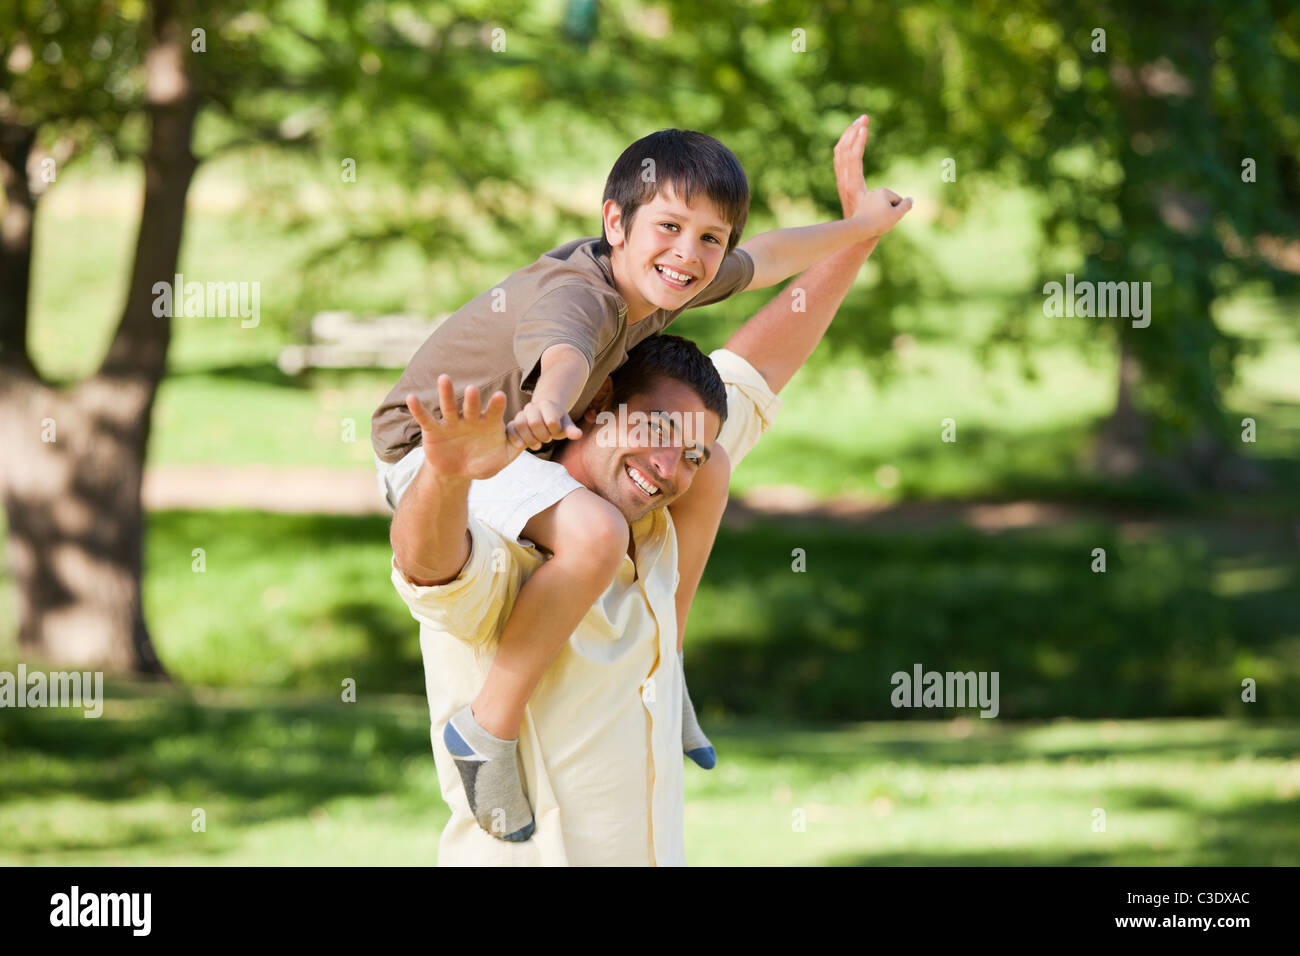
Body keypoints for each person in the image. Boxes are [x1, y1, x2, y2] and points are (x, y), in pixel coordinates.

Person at [372, 117, 911, 841]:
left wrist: (860, 227)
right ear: (614, 223)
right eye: (670, 227)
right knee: (593, 534)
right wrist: (549, 407)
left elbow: (774, 256)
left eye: (709, 238)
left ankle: (669, 660)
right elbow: (563, 354)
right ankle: (486, 727)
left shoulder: (670, 286)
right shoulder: (580, 296)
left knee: (711, 461)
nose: (690, 254)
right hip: (438, 451)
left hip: (530, 434)